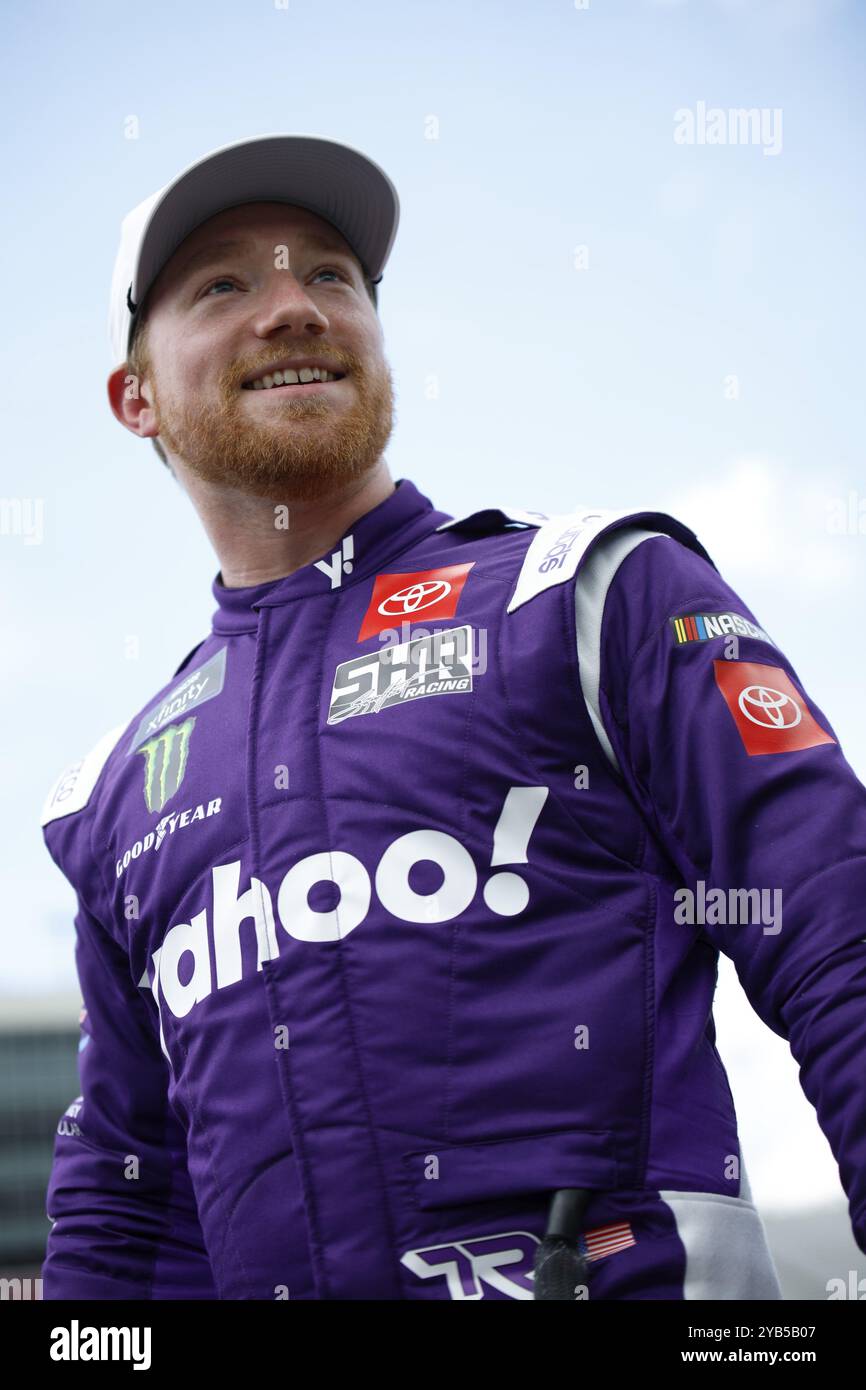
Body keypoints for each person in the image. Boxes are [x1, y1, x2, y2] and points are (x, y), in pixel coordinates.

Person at [39, 134, 866, 1301]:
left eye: (330, 276)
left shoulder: (587, 592)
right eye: (225, 284)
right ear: (135, 399)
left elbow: (838, 934)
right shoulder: (118, 794)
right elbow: (128, 1206)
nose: (293, 307)